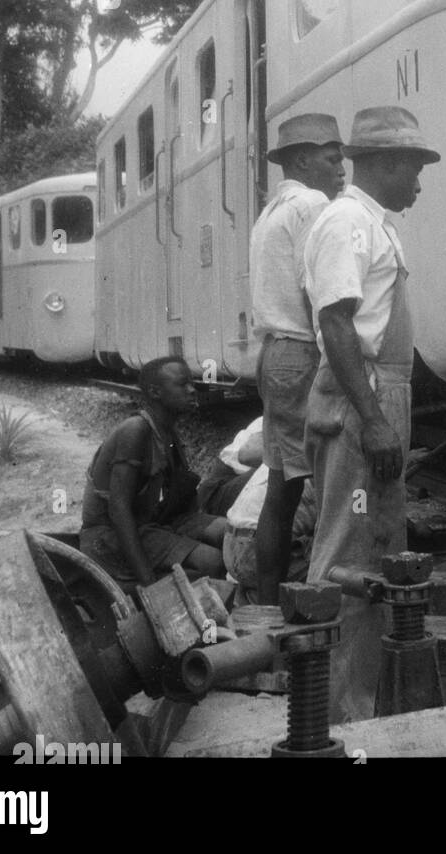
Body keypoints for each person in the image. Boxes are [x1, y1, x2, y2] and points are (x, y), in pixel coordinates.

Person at [302, 105, 440, 721]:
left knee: (378, 547)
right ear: (382, 164)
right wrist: (376, 418)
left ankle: (362, 705)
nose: (419, 180)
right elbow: (336, 321)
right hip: (365, 400)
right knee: (347, 557)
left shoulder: (374, 224)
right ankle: (331, 716)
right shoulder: (347, 223)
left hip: (382, 393)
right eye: (412, 166)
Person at [249, 113, 345, 604]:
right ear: (303, 159)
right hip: (302, 351)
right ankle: (318, 598)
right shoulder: (311, 205)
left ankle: (267, 605)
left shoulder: (271, 212)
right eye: (332, 158)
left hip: (273, 354)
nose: (342, 169)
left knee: (281, 489)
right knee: (329, 482)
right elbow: (318, 289)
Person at [80, 356, 227, 589]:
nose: (192, 390)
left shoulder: (167, 431)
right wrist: (147, 581)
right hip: (108, 536)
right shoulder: (135, 430)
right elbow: (118, 509)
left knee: (231, 534)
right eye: (182, 384)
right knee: (214, 562)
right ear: (155, 392)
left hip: (154, 522)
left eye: (191, 383)